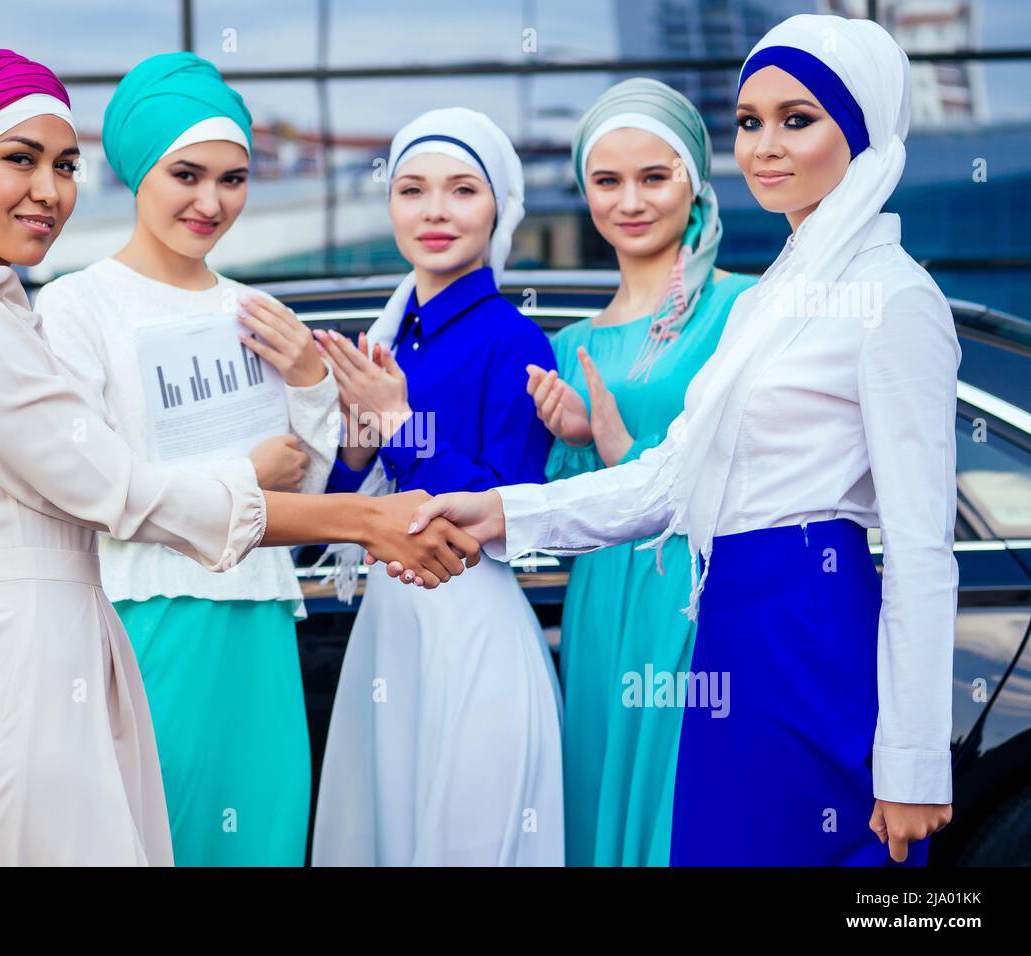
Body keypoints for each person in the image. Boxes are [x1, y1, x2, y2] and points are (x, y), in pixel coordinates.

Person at [0, 43, 478, 867]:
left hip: (62, 652)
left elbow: (125, 485)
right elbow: (120, 491)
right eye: (19, 159)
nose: (50, 190)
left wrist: (323, 412)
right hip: (22, 666)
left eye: (64, 165)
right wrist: (359, 516)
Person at [398, 14, 958, 866]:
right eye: (748, 122)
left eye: (797, 119)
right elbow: (668, 481)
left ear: (865, 129)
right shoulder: (777, 295)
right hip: (726, 616)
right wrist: (500, 512)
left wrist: (914, 763)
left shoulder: (893, 296)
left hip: (810, 616)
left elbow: (923, 545)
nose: (765, 146)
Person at [34, 52, 334, 867]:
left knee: (262, 841)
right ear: (137, 169)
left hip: (261, 618)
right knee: (154, 840)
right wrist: (243, 480)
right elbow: (84, 489)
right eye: (187, 174)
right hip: (145, 620)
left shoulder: (256, 310)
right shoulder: (73, 308)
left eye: (233, 179)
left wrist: (311, 381)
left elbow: (303, 494)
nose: (211, 202)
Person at [309, 107, 564, 866]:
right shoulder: (390, 339)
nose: (435, 212)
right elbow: (341, 513)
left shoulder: (514, 338)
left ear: (499, 210)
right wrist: (358, 445)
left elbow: (505, 509)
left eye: (462, 190)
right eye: (412, 190)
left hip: (468, 618)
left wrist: (400, 425)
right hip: (391, 624)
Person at [528, 78, 756, 866]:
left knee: (683, 809)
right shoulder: (568, 346)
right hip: (601, 604)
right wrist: (579, 441)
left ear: (694, 180)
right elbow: (560, 515)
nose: (630, 201)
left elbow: (756, 471)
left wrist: (621, 445)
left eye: (653, 177)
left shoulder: (745, 310)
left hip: (697, 596)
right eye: (607, 180)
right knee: (603, 793)